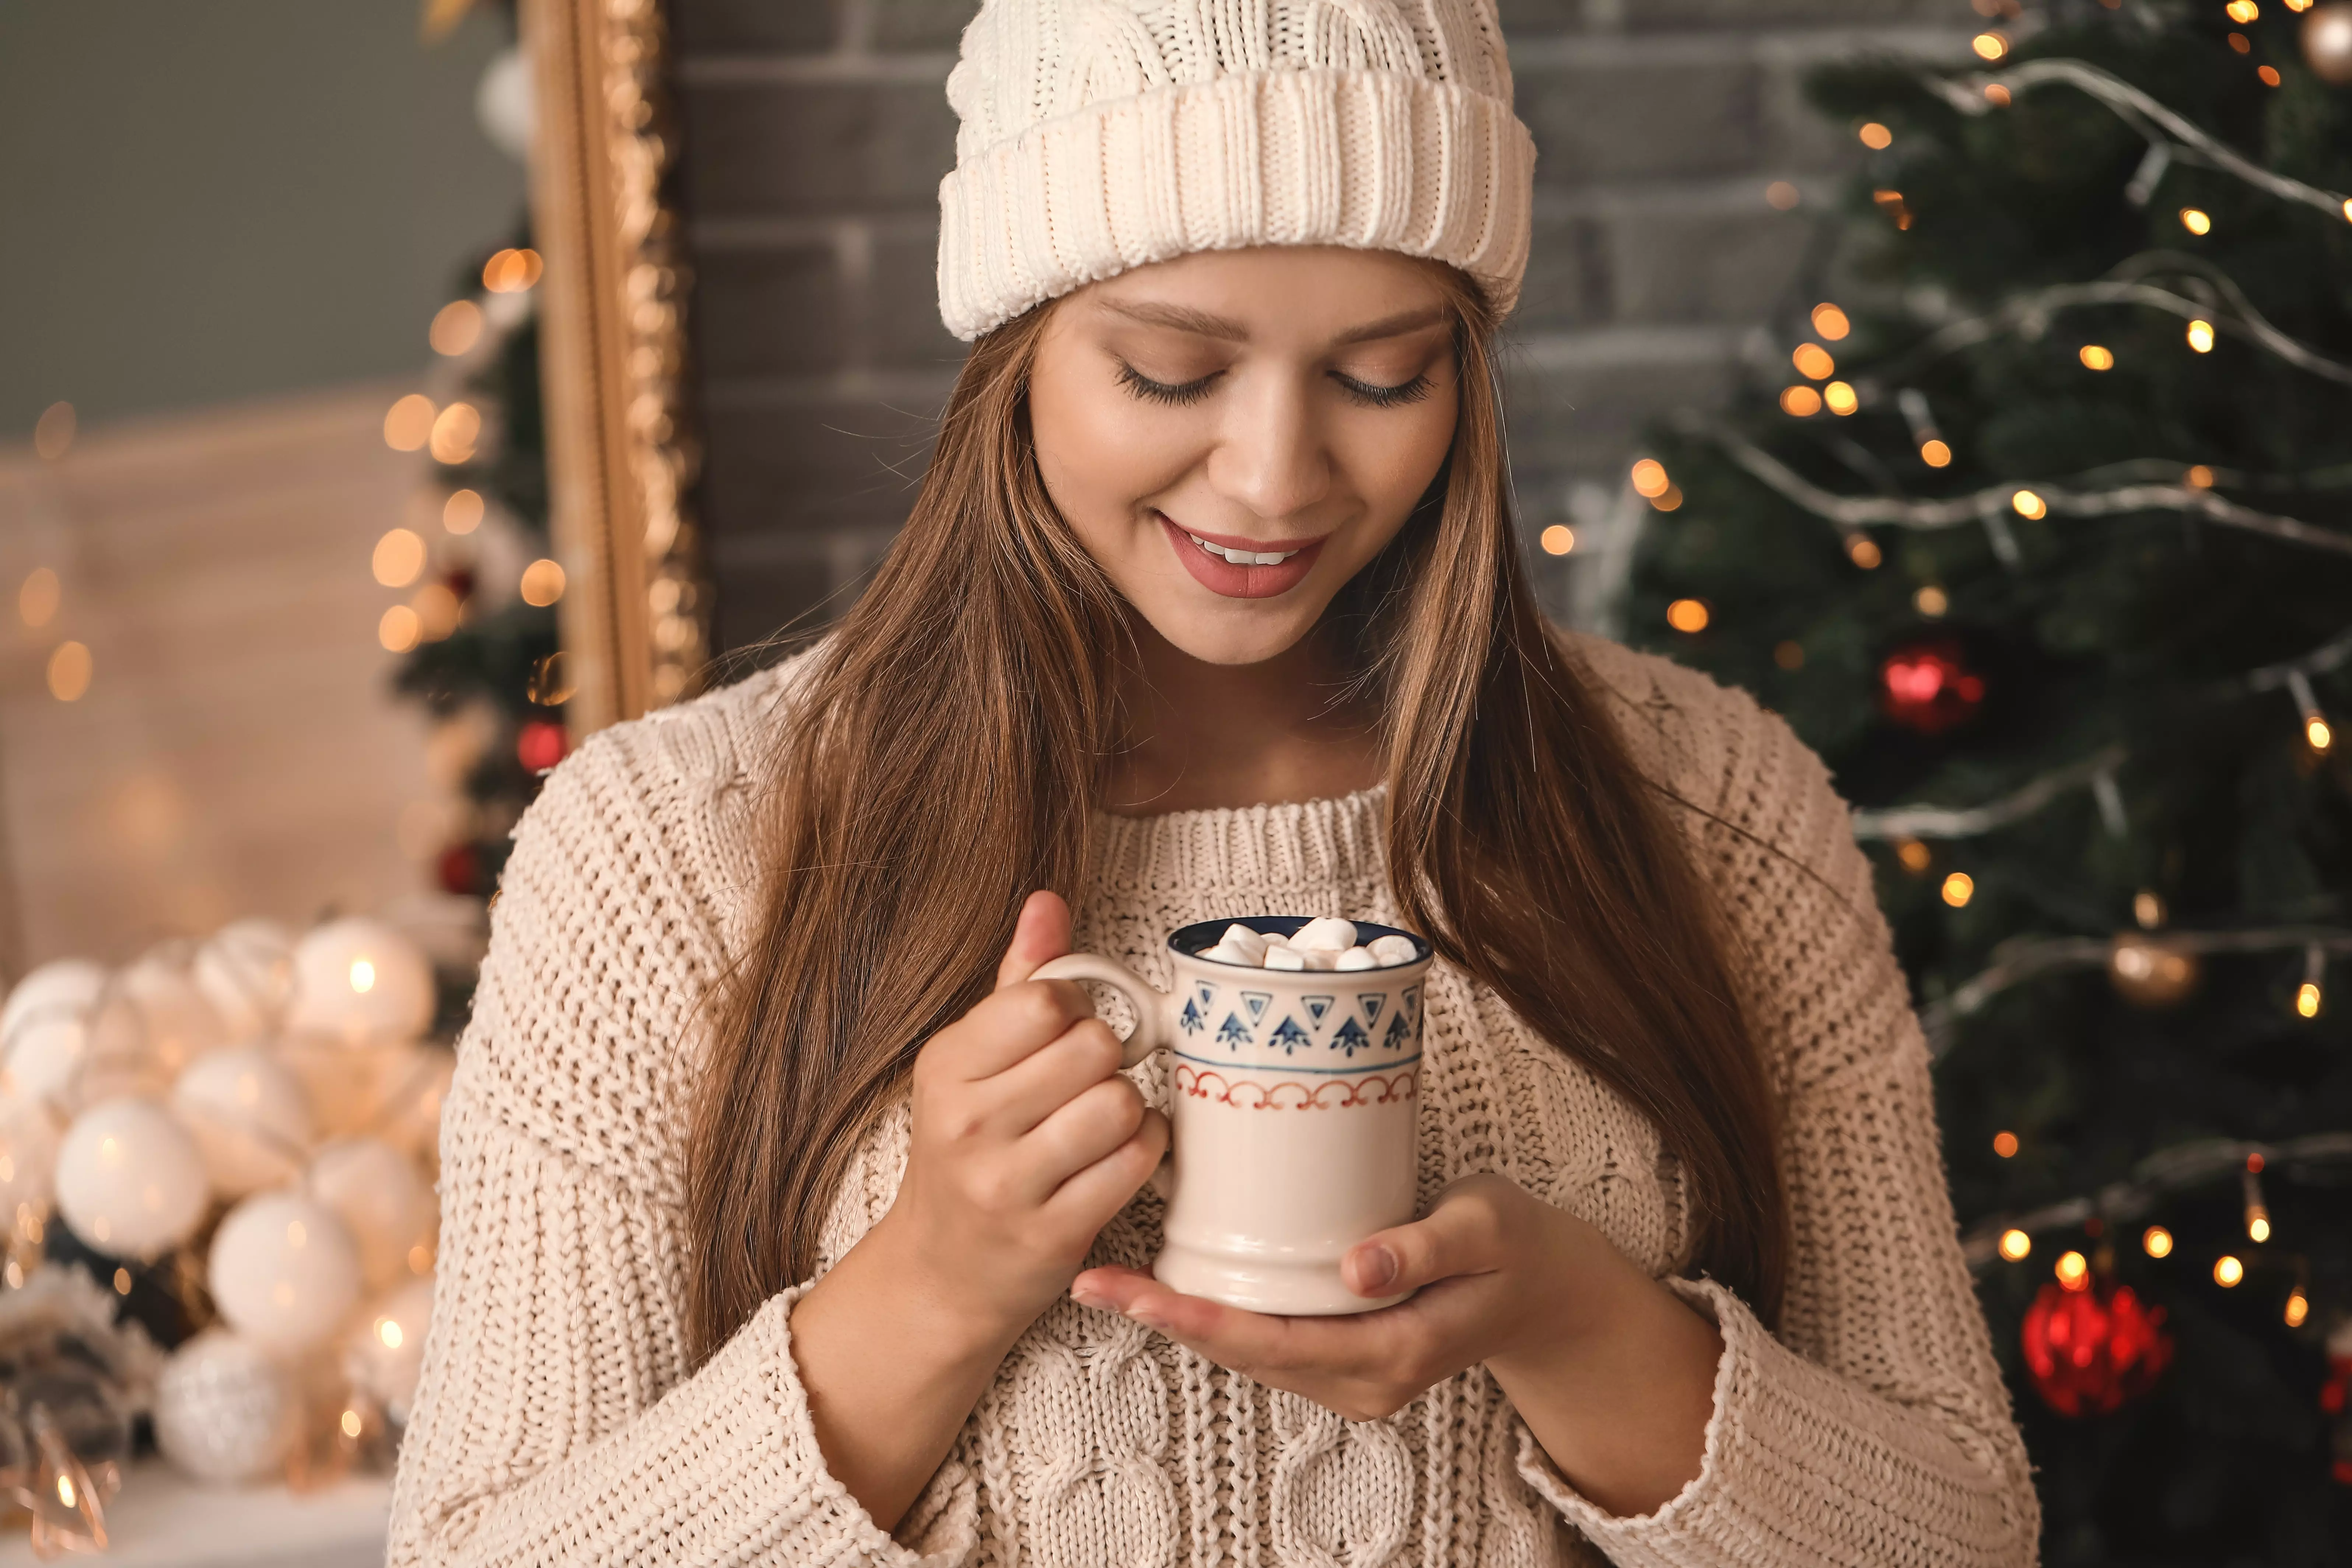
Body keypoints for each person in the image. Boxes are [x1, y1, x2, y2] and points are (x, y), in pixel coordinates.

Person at [387, 1, 2040, 1563]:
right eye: (1172, 372)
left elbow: (1967, 1524)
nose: (1274, 476)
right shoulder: (670, 854)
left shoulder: (1714, 803)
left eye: (1386, 373)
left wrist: (1576, 1325)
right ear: (1019, 346)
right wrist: (932, 1287)